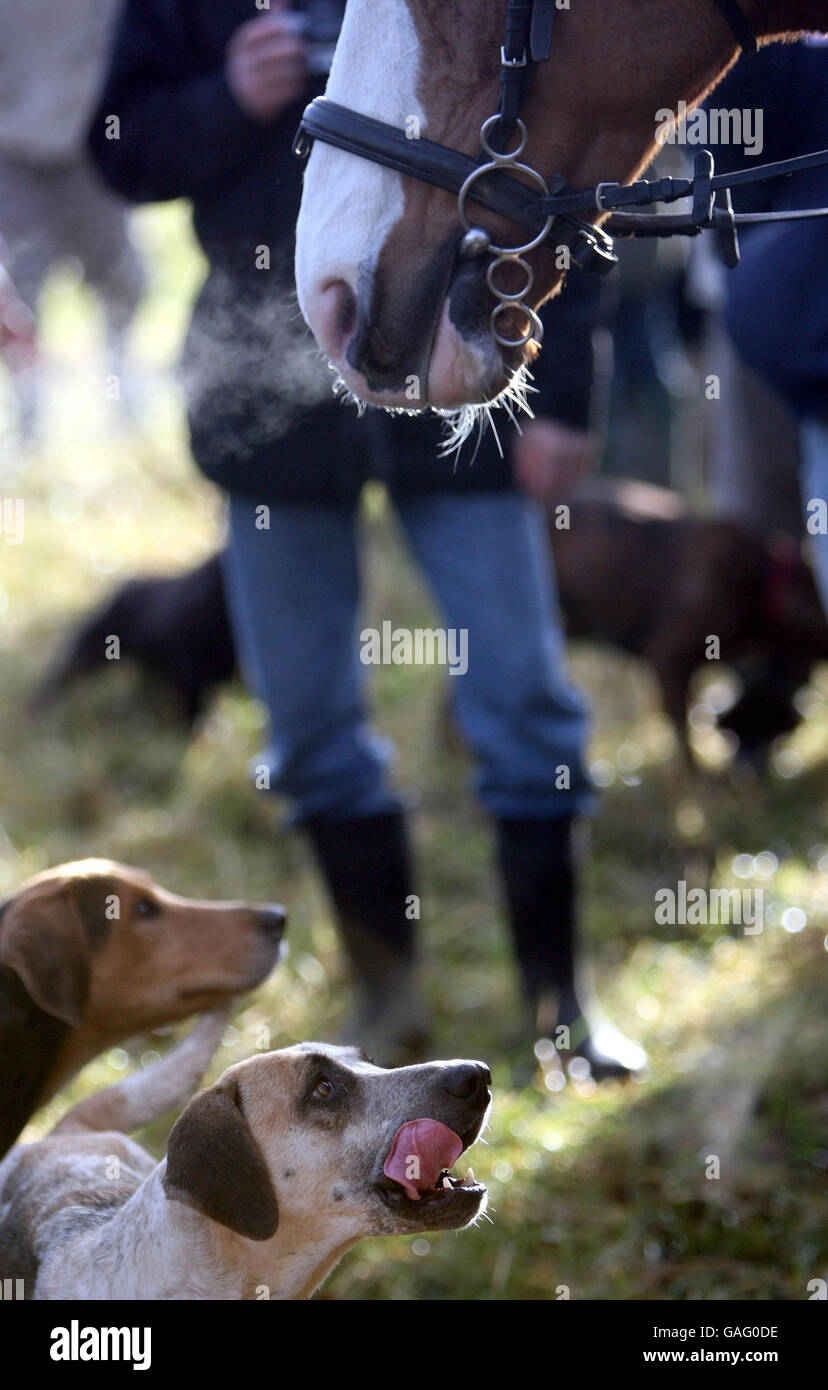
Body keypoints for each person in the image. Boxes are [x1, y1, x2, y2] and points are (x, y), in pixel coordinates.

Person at [89, 0, 644, 1076]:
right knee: (307, 728)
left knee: (526, 698)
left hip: (465, 364)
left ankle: (563, 1016)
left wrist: (569, 391)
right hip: (274, 419)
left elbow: (570, 157)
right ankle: (386, 1010)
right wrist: (225, 103)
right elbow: (120, 148)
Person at [0, 0, 146, 438]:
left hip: (93, 145)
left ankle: (123, 404)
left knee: (120, 279)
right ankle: (28, 423)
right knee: (21, 289)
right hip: (15, 149)